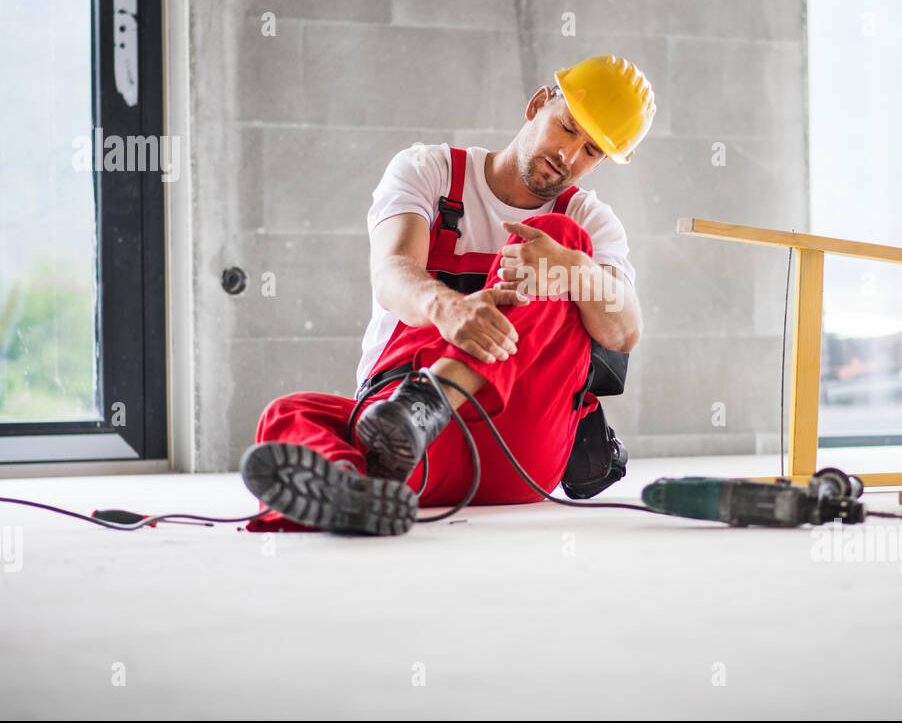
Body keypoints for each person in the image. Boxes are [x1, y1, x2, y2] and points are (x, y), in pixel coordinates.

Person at [239, 55, 656, 535]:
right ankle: (360, 494)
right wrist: (448, 308)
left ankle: (428, 400)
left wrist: (576, 270)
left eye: (592, 151)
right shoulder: (430, 171)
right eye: (566, 128)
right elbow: (391, 271)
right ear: (538, 103)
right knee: (288, 414)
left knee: (556, 237)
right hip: (414, 441)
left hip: (517, 440)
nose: (569, 156)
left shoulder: (589, 220)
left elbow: (624, 331)